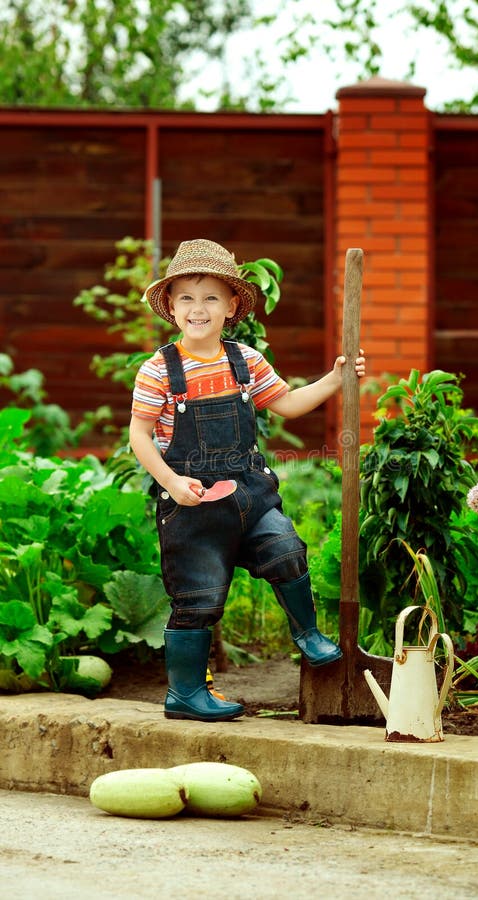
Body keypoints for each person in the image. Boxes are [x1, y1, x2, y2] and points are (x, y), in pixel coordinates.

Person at [129, 238, 365, 723]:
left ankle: (307, 636)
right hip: (192, 504)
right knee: (198, 596)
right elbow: (140, 434)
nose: (199, 309)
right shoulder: (158, 371)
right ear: (171, 308)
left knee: (285, 549)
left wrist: (336, 379)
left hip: (250, 491)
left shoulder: (245, 361)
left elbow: (289, 403)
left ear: (232, 306)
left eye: (211, 297)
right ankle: (187, 693)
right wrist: (172, 482)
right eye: (187, 299)